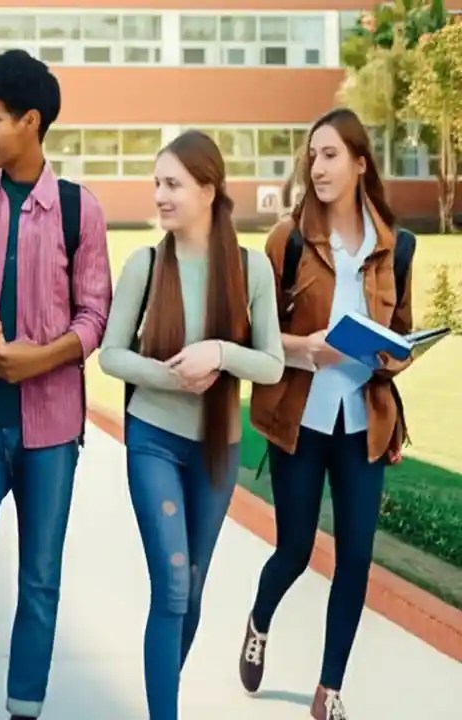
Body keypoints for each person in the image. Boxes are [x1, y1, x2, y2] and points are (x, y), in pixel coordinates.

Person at [0, 49, 112, 720]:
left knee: (40, 581)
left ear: (30, 123)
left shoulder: (76, 210)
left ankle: (24, 707)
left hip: (51, 429)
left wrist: (40, 360)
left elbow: (95, 315)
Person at [98, 130, 284, 720]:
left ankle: (161, 694)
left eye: (172, 184)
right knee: (174, 586)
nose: (160, 195)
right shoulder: (146, 264)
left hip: (217, 450)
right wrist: (170, 375)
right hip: (153, 440)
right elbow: (109, 355)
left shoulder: (251, 270)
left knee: (194, 590)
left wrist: (221, 354)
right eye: (157, 183)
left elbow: (273, 365)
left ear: (208, 189)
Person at [238, 108, 415, 720]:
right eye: (313, 154)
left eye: (331, 154)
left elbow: (403, 338)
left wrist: (395, 356)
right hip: (300, 422)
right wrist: (304, 348)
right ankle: (259, 620)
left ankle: (328, 690)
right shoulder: (285, 242)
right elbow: (253, 336)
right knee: (292, 551)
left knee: (356, 560)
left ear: (361, 163)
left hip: (364, 426)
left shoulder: (400, 246)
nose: (318, 165)